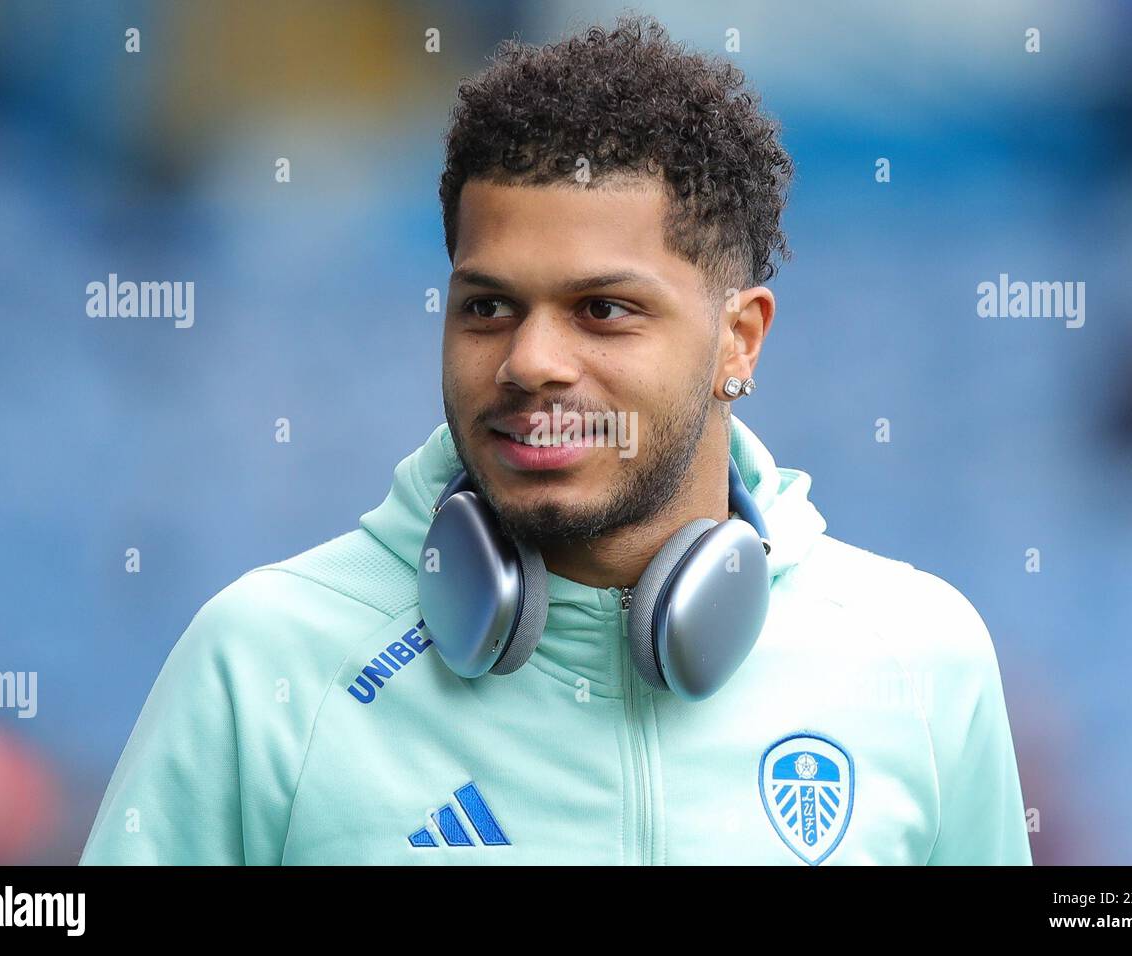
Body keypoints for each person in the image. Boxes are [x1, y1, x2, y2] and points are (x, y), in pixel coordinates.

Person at [81, 14, 1031, 865]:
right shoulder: (263, 663)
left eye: (604, 310)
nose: (531, 361)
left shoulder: (921, 659)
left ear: (737, 340)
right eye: (488, 306)